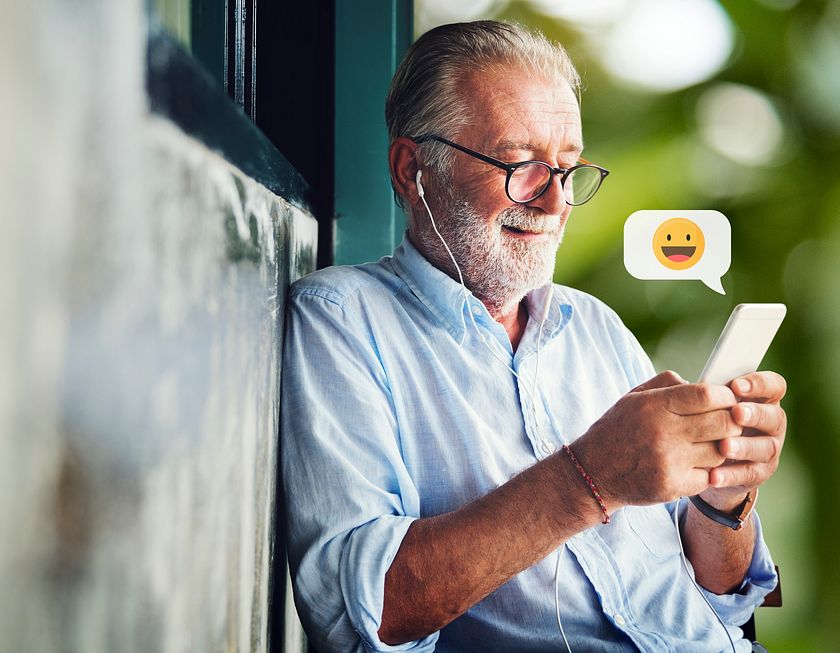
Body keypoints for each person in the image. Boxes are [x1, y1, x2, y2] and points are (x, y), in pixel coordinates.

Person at [280, 20, 784, 653]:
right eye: (520, 166)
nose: (554, 204)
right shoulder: (342, 320)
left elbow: (721, 601)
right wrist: (590, 475)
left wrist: (725, 498)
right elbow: (366, 616)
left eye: (568, 171)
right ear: (414, 169)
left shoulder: (595, 326)